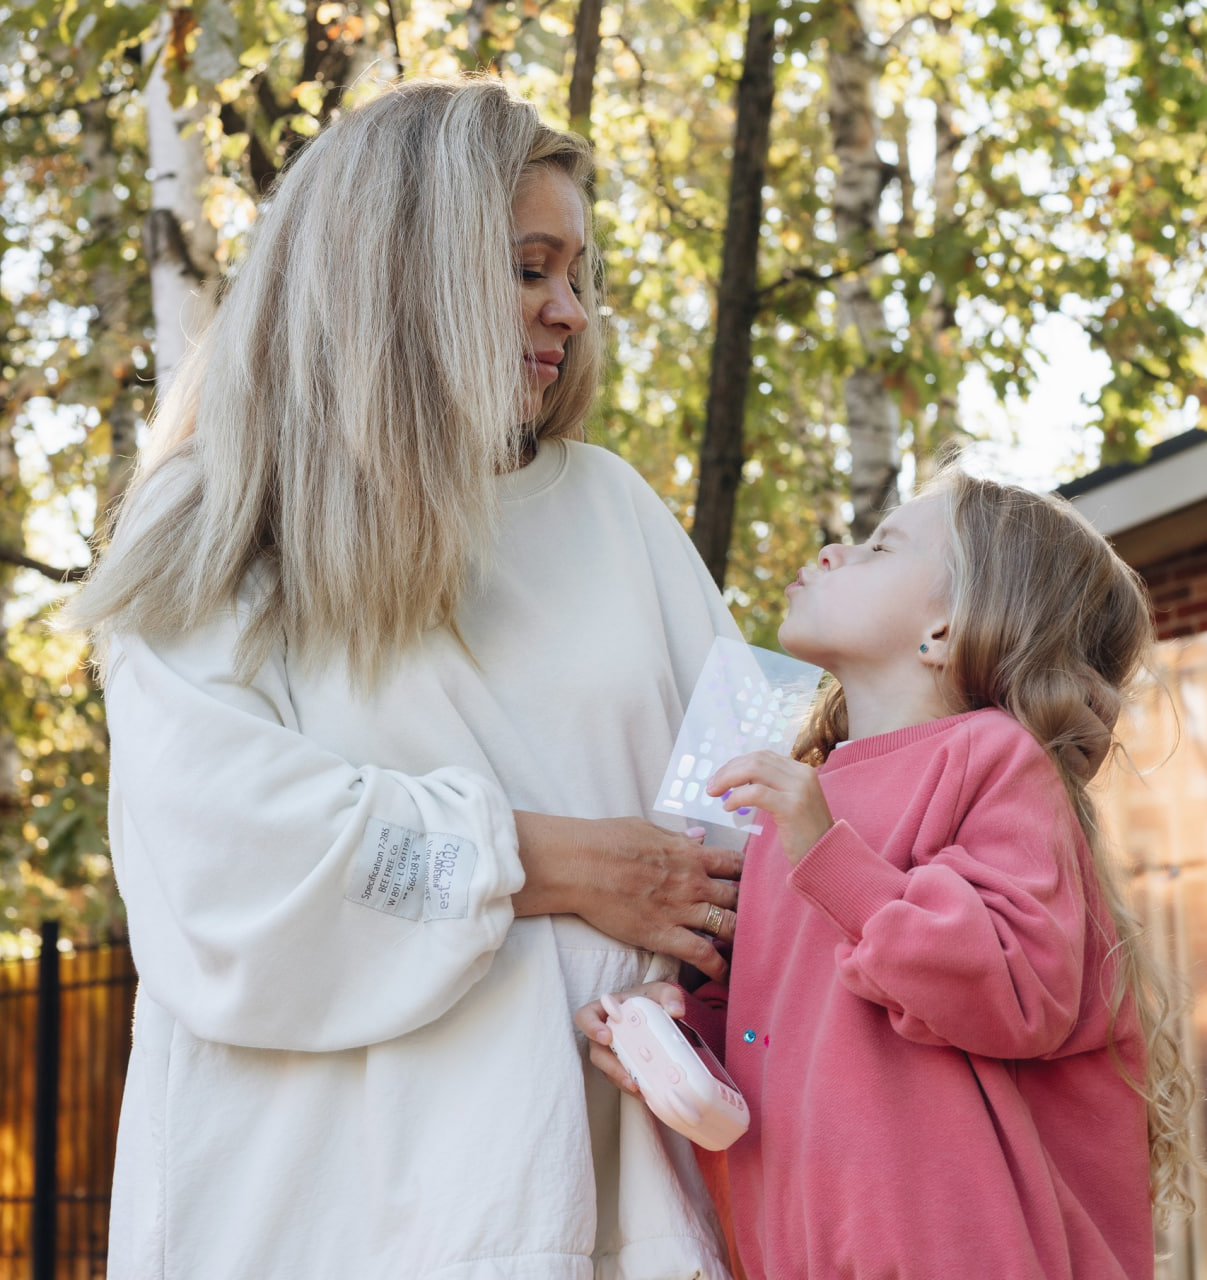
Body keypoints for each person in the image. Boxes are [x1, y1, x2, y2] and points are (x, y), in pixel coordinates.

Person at [65, 77, 746, 1280]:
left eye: (577, 274)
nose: (571, 310)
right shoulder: (222, 523)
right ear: (402, 269)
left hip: (612, 1195)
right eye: (530, 268)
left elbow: (744, 819)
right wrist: (562, 862)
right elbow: (223, 862)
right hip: (323, 1206)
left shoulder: (613, 513)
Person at [577, 467, 1198, 1280]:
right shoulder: (792, 803)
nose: (833, 550)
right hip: (799, 1244)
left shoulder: (990, 758)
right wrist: (676, 1024)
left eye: (878, 547)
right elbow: (775, 1018)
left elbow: (1019, 989)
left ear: (942, 629)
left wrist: (824, 849)